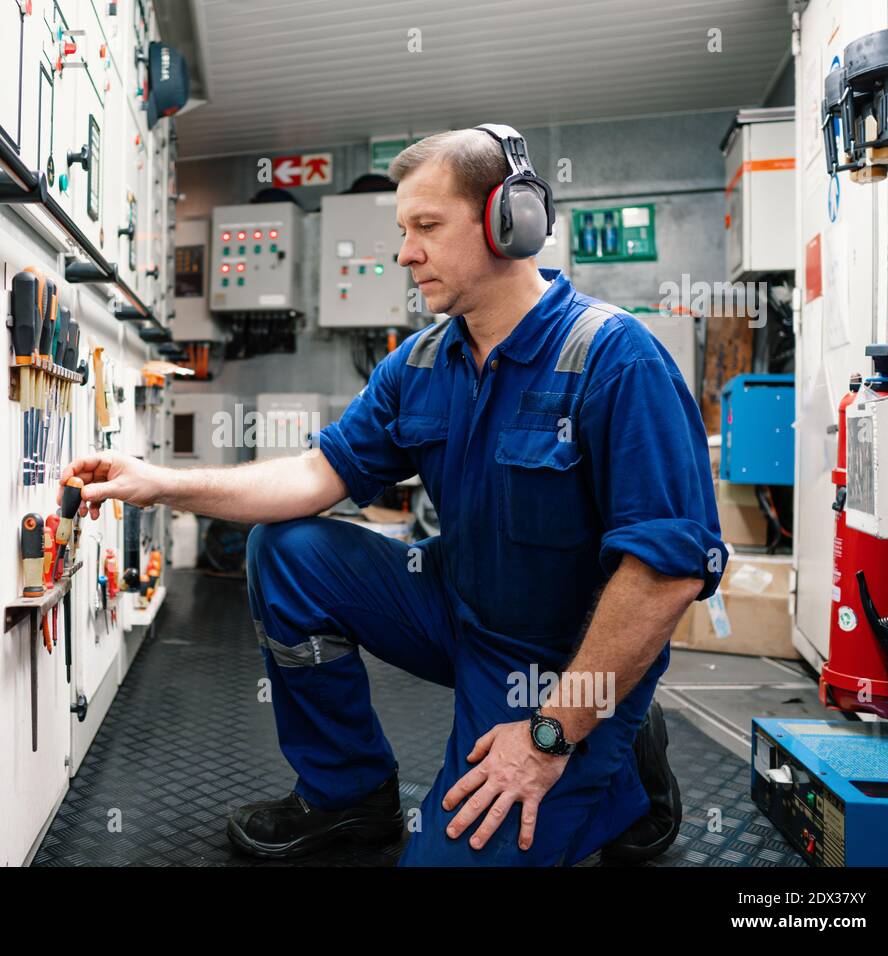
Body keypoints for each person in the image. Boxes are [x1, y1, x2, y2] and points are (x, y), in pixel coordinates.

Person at [60, 125, 725, 866]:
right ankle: (348, 794)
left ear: (511, 222)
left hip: (561, 662)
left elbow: (666, 575)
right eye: (402, 230)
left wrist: (549, 736)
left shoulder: (615, 359)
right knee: (288, 550)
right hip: (455, 604)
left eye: (427, 228)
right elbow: (315, 477)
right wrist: (162, 484)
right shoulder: (423, 362)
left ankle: (622, 747)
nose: (405, 253)